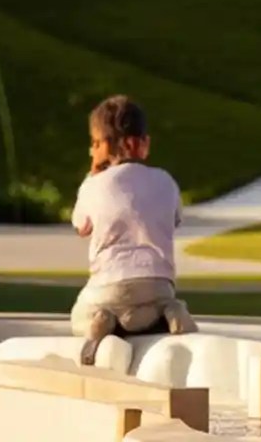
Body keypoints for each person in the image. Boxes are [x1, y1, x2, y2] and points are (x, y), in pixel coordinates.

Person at [70, 95, 197, 365]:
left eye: (94, 144)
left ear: (105, 147)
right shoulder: (166, 181)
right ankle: (172, 311)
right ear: (143, 144)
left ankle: (103, 321)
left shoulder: (93, 185)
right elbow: (174, 220)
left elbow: (81, 227)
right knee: (154, 308)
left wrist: (92, 174)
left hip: (110, 287)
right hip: (160, 286)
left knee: (80, 314)